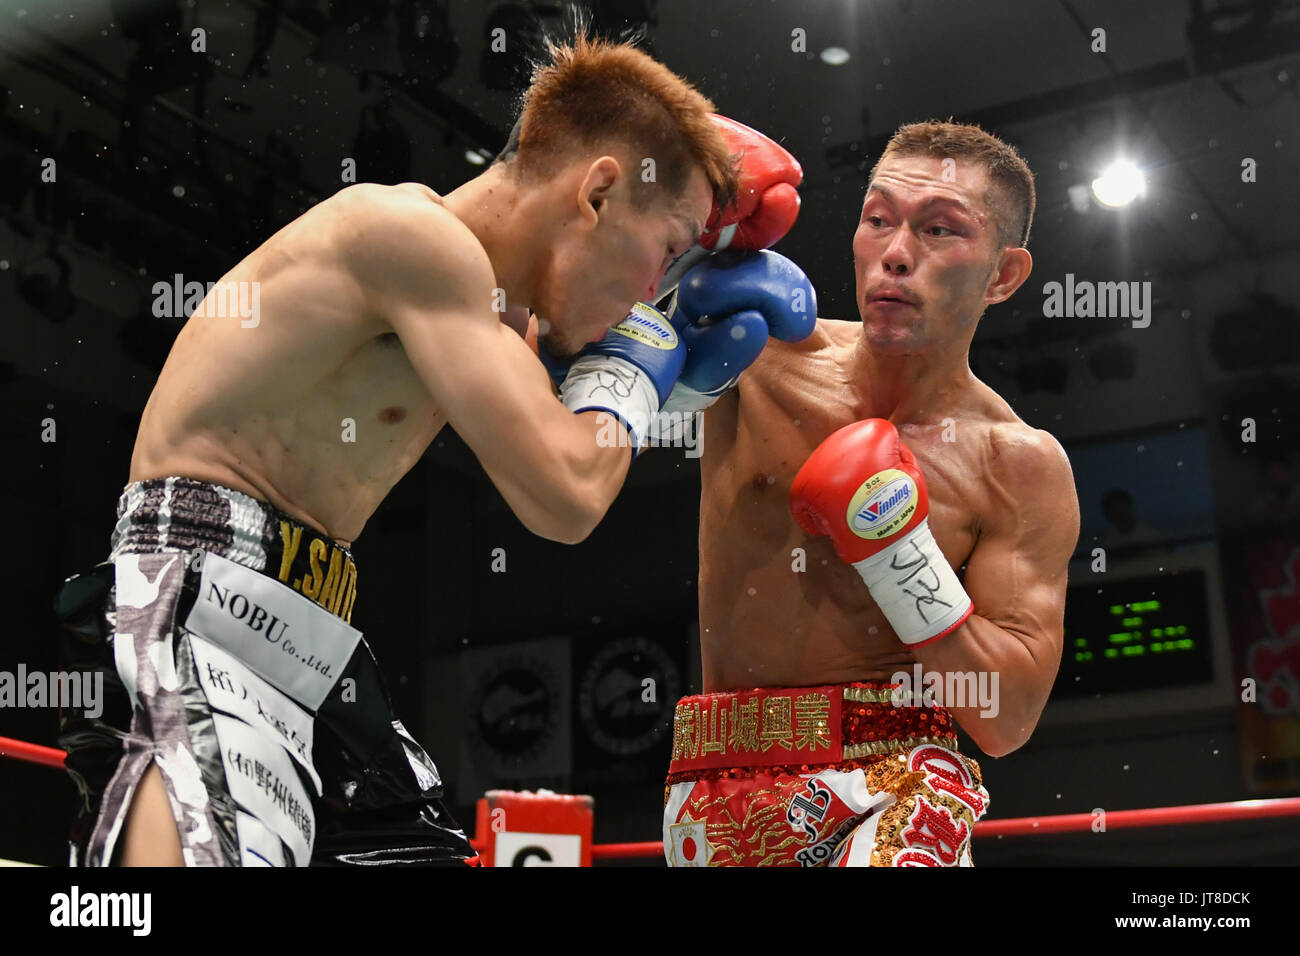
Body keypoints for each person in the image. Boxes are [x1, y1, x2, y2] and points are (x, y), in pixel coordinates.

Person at [53, 34, 743, 867]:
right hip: (198, 591)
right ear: (598, 192)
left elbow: (577, 452)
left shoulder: (500, 322)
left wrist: (676, 386)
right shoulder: (410, 238)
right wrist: (638, 368)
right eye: (667, 250)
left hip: (311, 629)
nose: (649, 295)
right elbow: (567, 492)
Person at [661, 120, 1081, 867]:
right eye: (878, 218)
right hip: (714, 778)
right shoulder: (757, 355)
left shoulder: (1017, 464)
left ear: (1004, 275)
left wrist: (898, 556)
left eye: (940, 230)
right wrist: (664, 269)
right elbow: (547, 366)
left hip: (897, 782)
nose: (895, 252)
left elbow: (1006, 716)